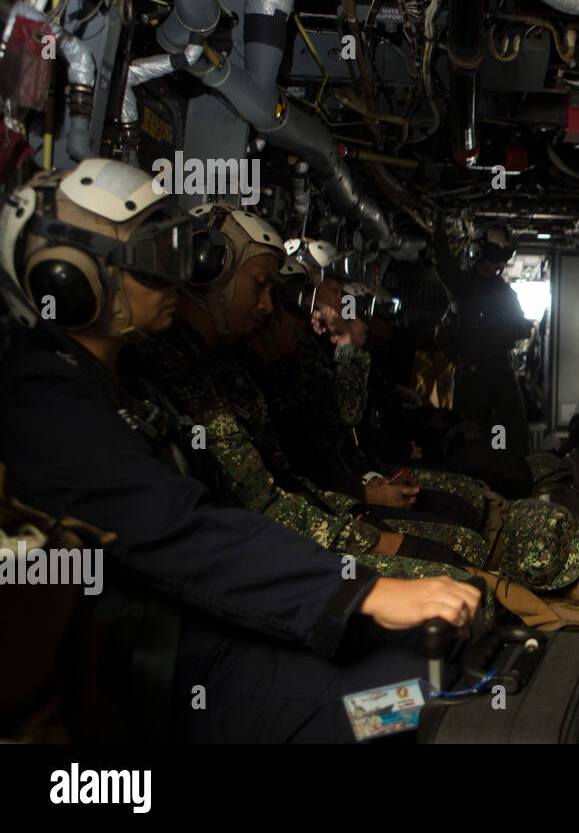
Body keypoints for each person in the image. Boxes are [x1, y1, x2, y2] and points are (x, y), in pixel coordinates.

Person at [0, 160, 481, 741]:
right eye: (156, 260)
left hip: (206, 627)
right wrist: (363, 592)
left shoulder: (126, 382)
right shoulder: (41, 406)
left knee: (432, 663)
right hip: (158, 667)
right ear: (67, 281)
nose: (178, 280)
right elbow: (181, 530)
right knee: (408, 706)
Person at [137, 203, 486, 570]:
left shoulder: (231, 365)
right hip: (267, 543)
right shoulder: (187, 368)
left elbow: (303, 464)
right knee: (461, 549)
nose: (268, 307)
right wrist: (366, 507)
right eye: (262, 287)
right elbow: (322, 439)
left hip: (322, 501)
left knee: (465, 517)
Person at [435, 222, 532, 453]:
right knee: (471, 435)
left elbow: (519, 326)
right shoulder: (464, 285)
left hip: (496, 369)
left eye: (500, 260)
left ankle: (511, 478)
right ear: (480, 253)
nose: (496, 265)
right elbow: (443, 263)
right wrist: (438, 232)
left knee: (511, 433)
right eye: (493, 257)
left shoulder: (502, 291)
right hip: (476, 373)